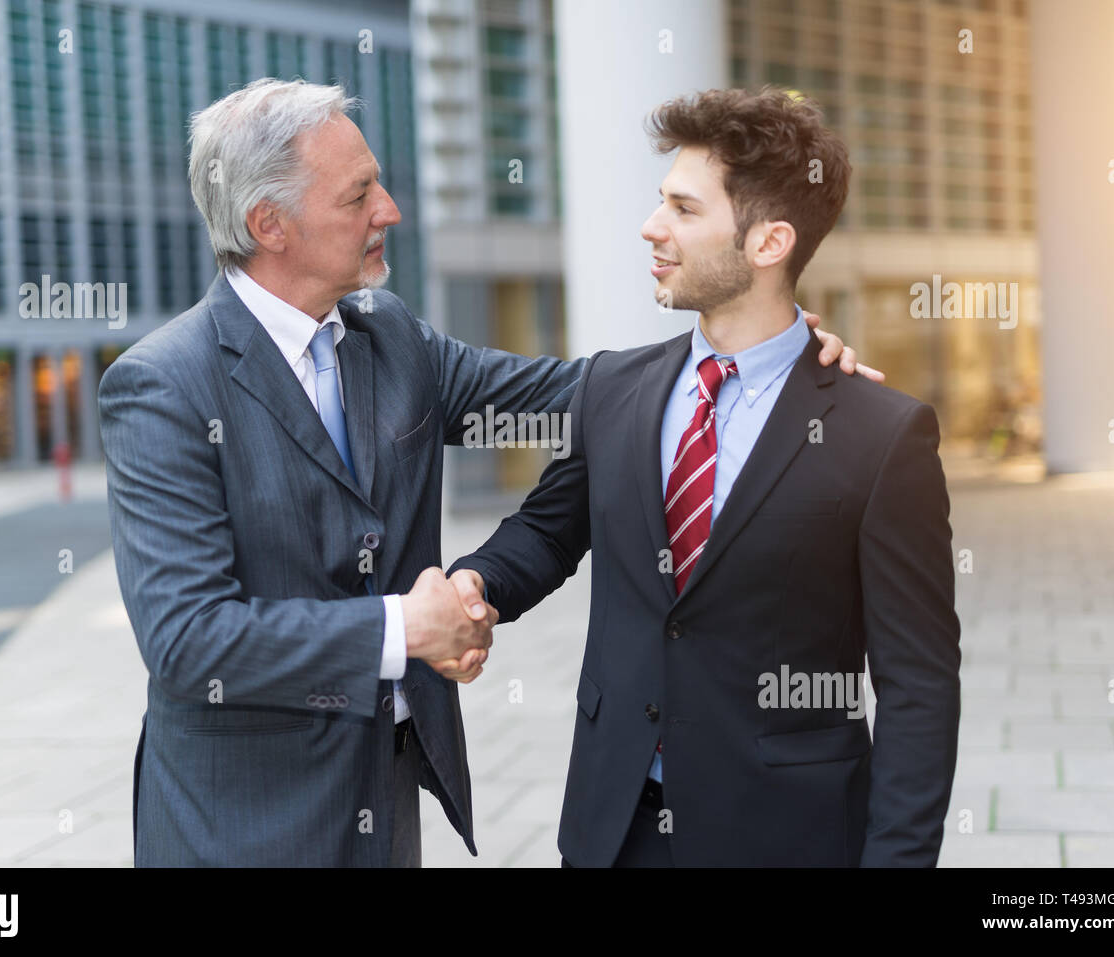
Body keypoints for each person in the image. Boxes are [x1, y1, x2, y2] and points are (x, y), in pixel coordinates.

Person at [98, 78, 871, 866]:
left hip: (383, 805)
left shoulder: (387, 334)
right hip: (237, 826)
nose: (389, 209)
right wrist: (408, 627)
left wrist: (760, 355)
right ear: (271, 225)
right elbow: (190, 640)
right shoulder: (163, 384)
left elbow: (573, 398)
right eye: (359, 194)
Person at [449, 87, 961, 867]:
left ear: (768, 243)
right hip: (612, 826)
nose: (653, 227)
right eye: (662, 202)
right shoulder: (613, 387)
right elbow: (549, 531)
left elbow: (919, 686)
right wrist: (475, 585)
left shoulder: (882, 436)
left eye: (685, 210)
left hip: (789, 838)